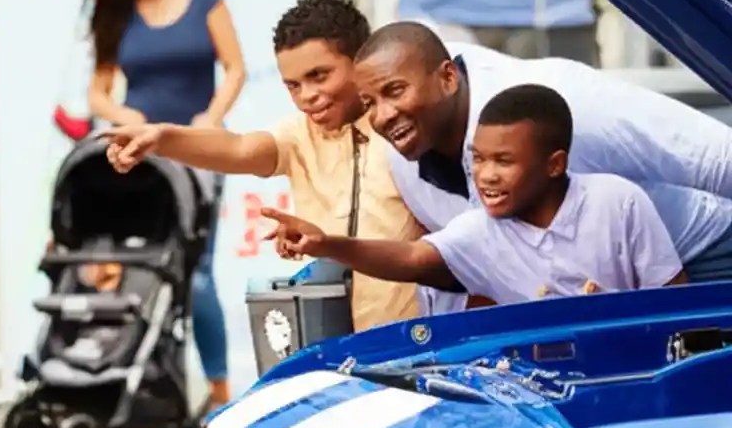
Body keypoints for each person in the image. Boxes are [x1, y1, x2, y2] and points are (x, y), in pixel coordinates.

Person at [101, 0, 469, 331]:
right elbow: (238, 148)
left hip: (417, 340)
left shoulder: (404, 132)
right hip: (331, 348)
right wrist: (163, 138)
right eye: (293, 85)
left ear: (360, 62)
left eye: (319, 76)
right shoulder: (297, 135)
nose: (308, 95)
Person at [353, 21, 732, 283]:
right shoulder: (403, 156)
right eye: (368, 102)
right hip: (603, 294)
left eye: (396, 91)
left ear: (448, 78)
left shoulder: (562, 100)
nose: (382, 115)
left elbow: (709, 156)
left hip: (704, 255)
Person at [261, 84, 688, 304]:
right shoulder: (480, 231)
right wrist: (327, 244)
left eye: (503, 161)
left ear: (555, 164)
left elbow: (677, 305)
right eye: (478, 159)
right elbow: (410, 259)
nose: (485, 175)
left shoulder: (618, 202)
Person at [84, 0, 246, 406]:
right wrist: (122, 111)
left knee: (196, 275)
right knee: (141, 269)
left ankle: (219, 391)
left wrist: (210, 118)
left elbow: (235, 67)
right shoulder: (115, 12)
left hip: (198, 149)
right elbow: (97, 92)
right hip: (140, 156)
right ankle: (152, 397)